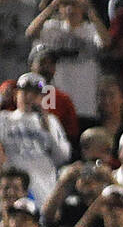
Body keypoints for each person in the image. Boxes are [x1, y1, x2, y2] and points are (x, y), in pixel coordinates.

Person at [0, 72, 71, 207]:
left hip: (43, 188)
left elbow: (63, 157)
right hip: (13, 188)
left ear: (42, 97)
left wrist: (48, 130)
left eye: (35, 94)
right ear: (16, 94)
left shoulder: (51, 121)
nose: (29, 97)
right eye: (25, 92)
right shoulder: (4, 118)